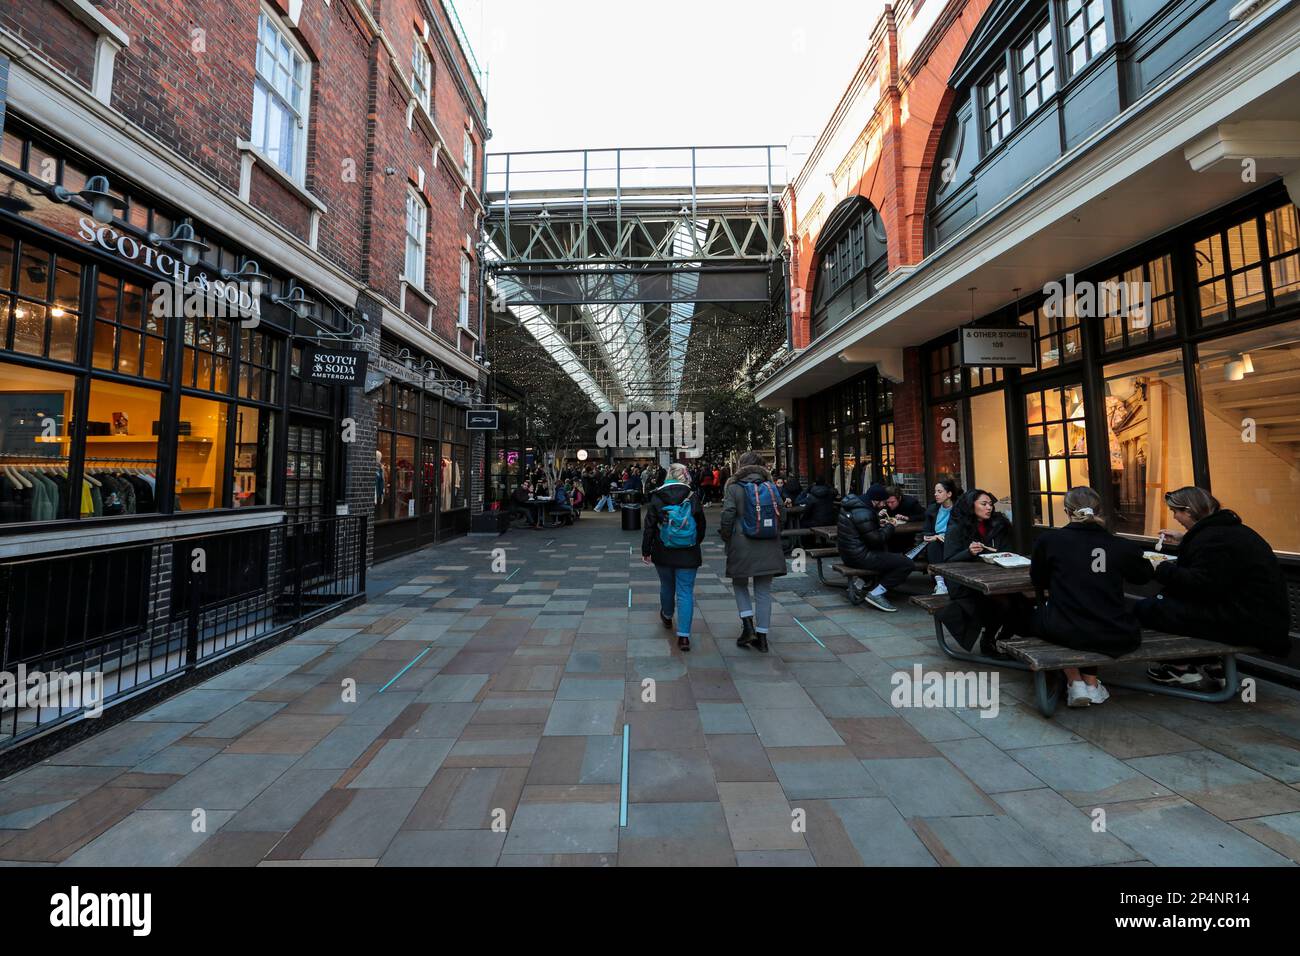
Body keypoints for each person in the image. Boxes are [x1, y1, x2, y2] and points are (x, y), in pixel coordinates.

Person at [1137, 486, 1290, 689]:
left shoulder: (1213, 540)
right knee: (1169, 604)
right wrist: (1185, 540)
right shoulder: (1230, 531)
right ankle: (1211, 663)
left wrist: (1161, 567)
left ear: (1189, 511)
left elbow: (1200, 586)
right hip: (1254, 614)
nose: (1175, 517)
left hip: (1245, 621)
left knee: (1150, 609)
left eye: (1176, 512)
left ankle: (1180, 668)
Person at [1026, 487, 1154, 707]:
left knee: (1044, 616)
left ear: (1067, 511)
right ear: (1099, 511)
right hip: (1115, 630)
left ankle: (1075, 682)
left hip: (1067, 628)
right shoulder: (1120, 545)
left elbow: (1038, 579)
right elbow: (1143, 576)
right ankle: (1091, 684)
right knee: (1086, 615)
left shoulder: (1050, 541)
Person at [720, 450, 787, 653]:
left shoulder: (733, 487)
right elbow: (782, 512)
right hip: (768, 544)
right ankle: (763, 637)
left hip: (741, 544)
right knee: (764, 591)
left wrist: (726, 535)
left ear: (741, 465)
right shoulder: (771, 486)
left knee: (739, 583)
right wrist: (775, 532)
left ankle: (747, 626)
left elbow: (728, 514)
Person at [938, 488, 1014, 654]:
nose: (989, 508)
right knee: (1004, 603)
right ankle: (989, 639)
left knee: (1023, 602)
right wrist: (968, 552)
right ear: (971, 506)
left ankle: (1004, 640)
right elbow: (948, 561)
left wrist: (1006, 554)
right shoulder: (957, 528)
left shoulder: (998, 525)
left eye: (990, 504)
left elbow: (1007, 549)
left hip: (997, 577)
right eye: (984, 504)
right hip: (967, 586)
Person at [642, 462, 706, 652]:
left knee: (667, 585)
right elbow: (701, 525)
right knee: (686, 592)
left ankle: (667, 615)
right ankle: (684, 637)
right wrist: (694, 542)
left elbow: (649, 526)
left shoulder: (657, 496)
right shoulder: (692, 496)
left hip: (663, 550)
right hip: (688, 551)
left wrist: (646, 550)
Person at [837, 485, 916, 612]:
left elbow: (864, 530)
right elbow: (876, 539)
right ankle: (876, 593)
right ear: (876, 500)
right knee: (907, 563)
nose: (884, 505)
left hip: (849, 553)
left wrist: (877, 524)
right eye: (883, 502)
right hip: (860, 557)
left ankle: (863, 583)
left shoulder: (854, 506)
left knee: (889, 555)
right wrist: (890, 526)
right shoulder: (864, 512)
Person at [922, 479, 961, 594]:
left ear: (949, 494)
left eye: (939, 491)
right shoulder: (933, 509)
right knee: (933, 545)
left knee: (936, 545)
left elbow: (960, 530)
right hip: (936, 541)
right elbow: (926, 530)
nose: (936, 494)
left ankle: (945, 583)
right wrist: (930, 536)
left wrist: (944, 536)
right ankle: (940, 584)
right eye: (935, 492)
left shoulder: (958, 509)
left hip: (953, 540)